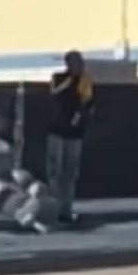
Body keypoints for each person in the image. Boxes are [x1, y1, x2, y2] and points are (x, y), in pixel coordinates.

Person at [46, 50, 94, 224]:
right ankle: (54, 208)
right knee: (55, 172)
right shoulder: (59, 78)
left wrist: (82, 116)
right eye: (77, 62)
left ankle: (66, 209)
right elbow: (54, 93)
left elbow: (88, 103)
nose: (80, 65)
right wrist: (69, 82)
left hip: (74, 132)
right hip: (57, 130)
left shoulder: (85, 81)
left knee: (70, 173)